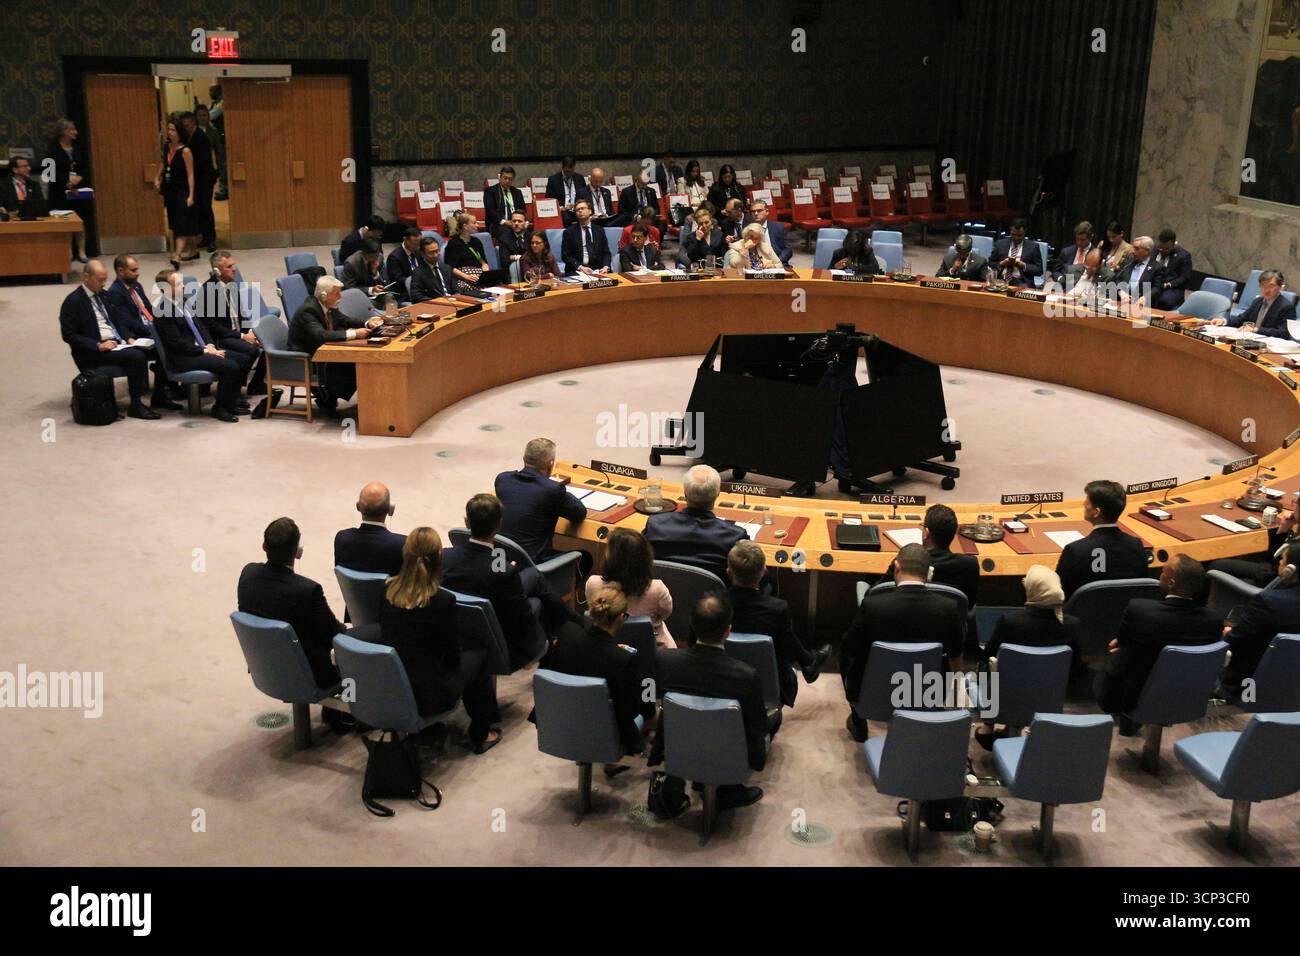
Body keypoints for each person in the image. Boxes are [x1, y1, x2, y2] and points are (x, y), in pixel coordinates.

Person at [237, 518, 372, 734]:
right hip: (310, 673)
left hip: (265, 664)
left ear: (264, 547)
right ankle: (353, 714)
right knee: (367, 641)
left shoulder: (248, 574)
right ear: (298, 552)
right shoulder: (307, 591)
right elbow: (334, 635)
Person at [377, 528, 503, 751]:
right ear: (438, 559)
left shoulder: (387, 591)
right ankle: (481, 733)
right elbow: (452, 654)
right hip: (431, 695)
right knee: (479, 656)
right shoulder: (442, 601)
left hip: (391, 684)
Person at [648, 594, 767, 818]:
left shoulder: (665, 661)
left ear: (692, 625)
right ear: (728, 631)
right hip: (729, 755)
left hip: (677, 749)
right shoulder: (746, 676)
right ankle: (728, 789)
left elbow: (653, 699)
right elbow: (758, 728)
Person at [840, 544, 967, 740]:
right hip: (927, 694)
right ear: (929, 573)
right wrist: (955, 697)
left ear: (896, 567)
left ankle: (858, 718)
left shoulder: (873, 606)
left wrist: (853, 693)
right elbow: (956, 659)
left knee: (849, 653)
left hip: (874, 695)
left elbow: (848, 651)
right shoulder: (948, 609)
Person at [1093, 554, 1223, 735]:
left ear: (1171, 583)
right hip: (1189, 695)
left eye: (1162, 572)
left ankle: (1130, 718)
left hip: (1133, 696)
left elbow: (1120, 642)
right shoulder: (1214, 621)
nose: (1158, 575)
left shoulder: (1140, 610)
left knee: (1118, 655)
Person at [440, 494, 553, 667]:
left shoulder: (444, 557)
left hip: (457, 638)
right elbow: (522, 617)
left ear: (467, 522)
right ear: (499, 525)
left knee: (532, 577)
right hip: (504, 648)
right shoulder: (504, 571)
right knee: (537, 599)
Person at [542, 586, 654, 758]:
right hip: (604, 733)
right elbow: (631, 712)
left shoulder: (566, 633)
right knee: (651, 703)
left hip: (561, 723)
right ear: (621, 618)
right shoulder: (623, 660)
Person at [726, 540, 830, 707]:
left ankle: (808, 662)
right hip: (771, 680)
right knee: (783, 637)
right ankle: (808, 662)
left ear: (729, 573)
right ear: (763, 573)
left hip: (724, 676)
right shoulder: (777, 609)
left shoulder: (713, 603)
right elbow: (787, 652)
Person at [58, 260, 160, 420]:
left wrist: (128, 337)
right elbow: (69, 335)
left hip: (116, 343)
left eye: (105, 279)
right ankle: (136, 405)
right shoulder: (73, 301)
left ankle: (160, 394)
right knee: (136, 357)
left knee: (153, 346)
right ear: (86, 277)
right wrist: (98, 345)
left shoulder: (104, 295)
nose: (103, 284)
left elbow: (118, 320)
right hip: (93, 351)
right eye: (100, 280)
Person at [150, 267, 246, 422]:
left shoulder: (184, 301)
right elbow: (178, 344)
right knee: (230, 366)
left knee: (241, 359)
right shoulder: (163, 312)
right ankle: (220, 407)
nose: (183, 286)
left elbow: (201, 326)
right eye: (178, 284)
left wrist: (210, 344)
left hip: (199, 349)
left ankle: (230, 402)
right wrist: (206, 351)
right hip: (184, 357)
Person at [288, 275, 382, 414]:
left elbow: (344, 319)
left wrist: (367, 323)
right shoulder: (308, 310)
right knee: (353, 362)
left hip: (321, 350)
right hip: (306, 357)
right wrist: (354, 334)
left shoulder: (328, 305)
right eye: (336, 293)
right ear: (324, 295)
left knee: (358, 360)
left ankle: (332, 397)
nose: (340, 297)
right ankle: (327, 397)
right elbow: (321, 336)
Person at [1220, 541, 1300, 697]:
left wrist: (1229, 633)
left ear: (1290, 570)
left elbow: (1236, 640)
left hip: (1247, 685)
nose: (1280, 563)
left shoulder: (1268, 601)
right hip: (1291, 686)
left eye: (1282, 560)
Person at [106, 254, 181, 412]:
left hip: (149, 327)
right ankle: (163, 390)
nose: (138, 273)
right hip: (137, 334)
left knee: (173, 336)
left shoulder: (136, 286)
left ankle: (166, 387)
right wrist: (153, 330)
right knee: (167, 346)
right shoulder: (115, 292)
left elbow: (148, 309)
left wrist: (160, 322)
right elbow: (125, 321)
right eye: (133, 270)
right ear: (120, 271)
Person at [494, 437, 588, 563]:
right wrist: (558, 488)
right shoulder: (552, 489)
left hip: (501, 558)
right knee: (586, 557)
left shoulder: (502, 480)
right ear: (551, 464)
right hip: (533, 563)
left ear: (524, 459)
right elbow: (579, 513)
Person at [643, 464, 747, 578]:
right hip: (713, 595)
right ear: (717, 494)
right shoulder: (734, 536)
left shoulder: (655, 525)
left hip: (666, 593)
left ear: (685, 493)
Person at [1056, 480, 1149, 598]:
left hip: (1083, 615)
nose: (1084, 504)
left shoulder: (1075, 551)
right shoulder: (1136, 545)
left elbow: (1059, 592)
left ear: (1096, 512)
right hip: (1126, 614)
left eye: (1087, 502)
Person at [194, 250, 264, 404]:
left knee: (265, 342)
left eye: (234, 265)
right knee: (250, 351)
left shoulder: (231, 285)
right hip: (221, 338)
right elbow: (213, 326)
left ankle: (255, 385)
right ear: (217, 271)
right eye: (229, 266)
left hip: (235, 333)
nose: (234, 269)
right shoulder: (208, 291)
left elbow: (241, 314)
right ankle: (234, 390)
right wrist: (242, 337)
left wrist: (251, 332)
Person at [586, 528, 675, 647]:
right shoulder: (658, 589)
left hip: (607, 646)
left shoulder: (592, 584)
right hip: (653, 649)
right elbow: (666, 614)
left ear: (611, 559)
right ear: (646, 558)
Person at [886, 504, 980, 608]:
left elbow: (878, 592)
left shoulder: (903, 562)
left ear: (926, 533)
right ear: (953, 534)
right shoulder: (969, 565)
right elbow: (969, 603)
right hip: (950, 621)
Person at [153, 119, 199, 269]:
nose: (170, 133)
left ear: (180, 133)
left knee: (181, 222)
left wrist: (191, 195)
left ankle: (177, 255)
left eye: (173, 130)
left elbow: (191, 173)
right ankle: (193, 249)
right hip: (170, 189)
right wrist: (157, 177)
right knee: (177, 221)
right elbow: (164, 164)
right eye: (169, 130)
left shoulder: (185, 151)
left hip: (183, 189)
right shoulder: (167, 146)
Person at [47, 117, 94, 260]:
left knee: (81, 221)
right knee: (65, 222)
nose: (76, 132)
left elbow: (86, 167)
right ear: (64, 132)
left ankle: (81, 251)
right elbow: (49, 171)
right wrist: (66, 182)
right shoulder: (52, 148)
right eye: (72, 130)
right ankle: (67, 252)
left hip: (79, 191)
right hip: (60, 192)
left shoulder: (79, 147)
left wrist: (80, 177)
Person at [335, 482, 406, 574]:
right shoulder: (402, 544)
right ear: (390, 509)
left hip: (354, 589)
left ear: (358, 506)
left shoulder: (342, 538)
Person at [1213, 269, 1294, 338]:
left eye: (1271, 286)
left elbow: (1283, 333)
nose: (1266, 290)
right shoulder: (1258, 301)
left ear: (1280, 287)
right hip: (1250, 340)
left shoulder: (1286, 307)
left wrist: (1256, 329)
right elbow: (1242, 319)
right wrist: (1223, 321)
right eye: (1263, 285)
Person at [179, 112, 216, 252]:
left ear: (193, 124)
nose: (184, 128)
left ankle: (211, 239)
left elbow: (202, 162)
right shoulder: (188, 137)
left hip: (205, 179)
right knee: (199, 209)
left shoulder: (201, 138)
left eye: (186, 125)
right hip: (197, 179)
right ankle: (205, 237)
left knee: (206, 208)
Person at [443, 210, 504, 289]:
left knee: (497, 286)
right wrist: (466, 276)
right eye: (474, 223)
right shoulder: (453, 244)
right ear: (465, 226)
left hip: (479, 275)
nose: (477, 225)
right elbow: (450, 268)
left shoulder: (476, 241)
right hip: (463, 277)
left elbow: (484, 263)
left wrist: (485, 276)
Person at [560, 198, 611, 275]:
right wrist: (580, 267)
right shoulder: (569, 232)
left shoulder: (599, 230)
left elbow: (606, 253)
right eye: (577, 210)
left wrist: (606, 267)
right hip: (577, 270)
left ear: (590, 211)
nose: (580, 211)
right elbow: (566, 256)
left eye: (582, 208)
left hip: (597, 269)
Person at [989, 218, 1043, 286]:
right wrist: (1002, 263)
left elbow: (1039, 270)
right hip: (1000, 280)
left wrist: (1023, 265)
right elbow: (990, 264)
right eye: (1014, 234)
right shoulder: (999, 244)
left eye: (1020, 235)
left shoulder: (1033, 247)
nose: (1016, 238)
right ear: (1010, 231)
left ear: (1025, 232)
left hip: (1021, 281)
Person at [1151, 227, 1193, 310]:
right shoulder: (1154, 250)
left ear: (1174, 244)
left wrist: (1169, 284)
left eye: (1167, 248)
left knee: (1162, 300)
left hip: (1171, 288)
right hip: (1153, 284)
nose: (1163, 250)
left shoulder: (1183, 256)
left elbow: (1184, 278)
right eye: (1161, 247)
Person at [1113, 236, 1161, 306]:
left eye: (1136, 249)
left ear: (1147, 251)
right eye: (1133, 247)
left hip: (1142, 305)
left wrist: (1145, 298)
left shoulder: (1157, 267)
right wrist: (1121, 292)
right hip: (1122, 302)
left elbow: (1157, 288)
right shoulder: (1128, 262)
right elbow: (1116, 279)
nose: (1132, 251)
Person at [409, 235, 456, 302]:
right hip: (435, 304)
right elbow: (416, 296)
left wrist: (456, 297)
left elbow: (456, 289)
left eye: (437, 251)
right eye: (431, 253)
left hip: (453, 302)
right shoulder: (418, 273)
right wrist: (438, 301)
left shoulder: (447, 268)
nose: (436, 255)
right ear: (422, 254)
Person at [545, 155, 588, 226]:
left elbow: (585, 196)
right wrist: (562, 208)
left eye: (571, 170)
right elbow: (549, 201)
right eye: (567, 171)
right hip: (564, 211)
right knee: (566, 218)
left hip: (578, 208)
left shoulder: (579, 178)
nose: (569, 173)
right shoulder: (553, 180)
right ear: (563, 167)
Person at [196, 104, 225, 203]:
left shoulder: (213, 131)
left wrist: (220, 168)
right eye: (199, 115)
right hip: (195, 167)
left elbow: (218, 150)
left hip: (209, 167)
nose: (202, 118)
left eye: (204, 115)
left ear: (208, 116)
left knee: (207, 196)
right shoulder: (192, 131)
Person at [750, 199, 792, 266]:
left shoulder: (778, 227)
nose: (756, 213)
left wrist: (776, 262)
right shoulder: (748, 230)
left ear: (767, 212)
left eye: (759, 210)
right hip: (756, 265)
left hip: (776, 263)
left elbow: (788, 250)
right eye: (753, 211)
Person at [483, 165, 525, 231]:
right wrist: (504, 222)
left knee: (528, 234)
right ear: (500, 177)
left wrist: (520, 222)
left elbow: (523, 210)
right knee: (506, 232)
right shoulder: (490, 191)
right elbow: (490, 211)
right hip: (498, 224)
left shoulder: (517, 192)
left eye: (510, 179)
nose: (507, 181)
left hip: (516, 223)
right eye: (505, 178)